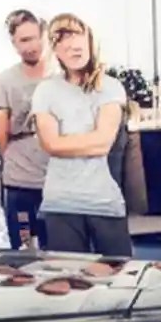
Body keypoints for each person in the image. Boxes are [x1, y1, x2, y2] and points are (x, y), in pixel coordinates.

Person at [32, 13, 131, 256]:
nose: (73, 44)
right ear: (55, 50)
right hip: (61, 203)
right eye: (63, 38)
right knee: (69, 282)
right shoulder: (46, 90)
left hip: (104, 203)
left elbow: (102, 143)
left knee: (117, 280)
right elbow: (51, 144)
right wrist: (84, 140)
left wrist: (65, 142)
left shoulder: (110, 87)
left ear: (89, 41)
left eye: (78, 35)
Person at [0, 9, 54, 250]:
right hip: (20, 182)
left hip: (58, 181)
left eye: (36, 37)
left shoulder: (61, 76)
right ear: (14, 43)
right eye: (24, 40)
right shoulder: (5, 81)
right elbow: (0, 135)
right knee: (23, 251)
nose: (32, 46)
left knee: (57, 252)